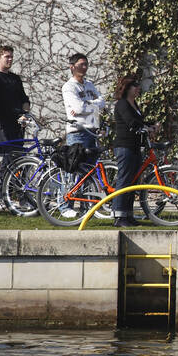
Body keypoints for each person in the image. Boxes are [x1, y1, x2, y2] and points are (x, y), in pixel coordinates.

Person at [111, 74, 149, 228]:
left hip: (134, 146)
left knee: (133, 182)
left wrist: (151, 125)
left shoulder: (134, 104)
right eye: (135, 86)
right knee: (124, 180)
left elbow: (140, 121)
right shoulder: (122, 104)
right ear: (127, 88)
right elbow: (131, 122)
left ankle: (128, 214)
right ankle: (119, 216)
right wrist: (142, 127)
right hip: (124, 146)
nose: (138, 88)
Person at [0, 45, 30, 146]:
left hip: (18, 126)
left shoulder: (15, 78)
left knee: (18, 158)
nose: (10, 59)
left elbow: (24, 99)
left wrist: (25, 114)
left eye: (11, 57)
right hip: (2, 126)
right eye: (7, 57)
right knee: (9, 155)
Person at [63, 52, 105, 153]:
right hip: (77, 133)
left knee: (91, 167)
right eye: (81, 64)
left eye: (86, 64)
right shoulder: (69, 87)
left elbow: (102, 102)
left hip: (93, 132)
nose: (84, 67)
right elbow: (79, 108)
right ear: (72, 67)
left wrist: (86, 103)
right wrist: (94, 106)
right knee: (77, 166)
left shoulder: (89, 84)